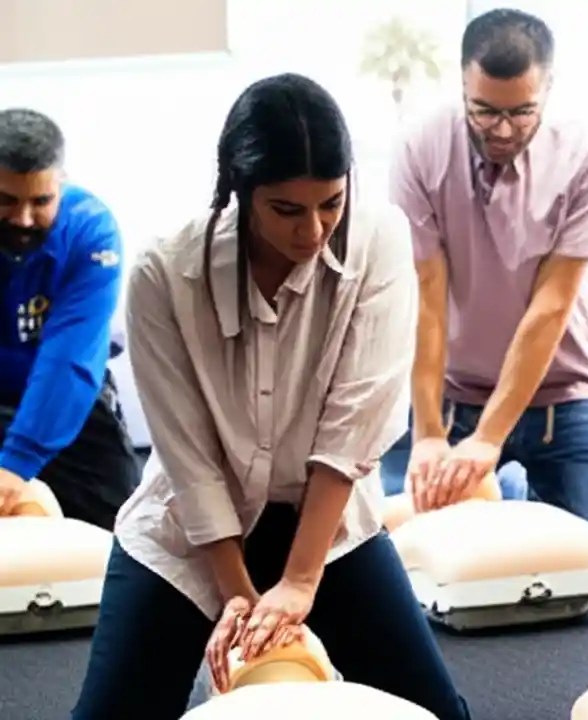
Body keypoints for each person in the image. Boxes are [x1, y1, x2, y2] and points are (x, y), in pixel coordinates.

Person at [70, 73, 471, 720]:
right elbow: (189, 458)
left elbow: (354, 427)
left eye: (331, 204)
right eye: (287, 209)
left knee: (435, 713)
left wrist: (302, 581)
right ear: (239, 189)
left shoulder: (380, 242)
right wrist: (239, 597)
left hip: (326, 521)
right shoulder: (163, 274)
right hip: (190, 527)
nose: (313, 231)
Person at [389, 7, 588, 581]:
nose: (501, 129)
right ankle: (507, 483)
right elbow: (426, 295)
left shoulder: (587, 157)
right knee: (398, 554)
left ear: (548, 89)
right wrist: (429, 436)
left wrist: (490, 440)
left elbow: (551, 307)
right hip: (454, 392)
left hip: (562, 392)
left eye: (521, 112)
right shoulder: (421, 146)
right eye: (485, 110)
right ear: (462, 85)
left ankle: (510, 480)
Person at [0, 107, 140, 530]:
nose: (24, 219)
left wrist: (13, 468)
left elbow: (69, 358)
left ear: (61, 183)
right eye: (6, 200)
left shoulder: (90, 230)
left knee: (128, 535)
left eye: (41, 201)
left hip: (67, 399)